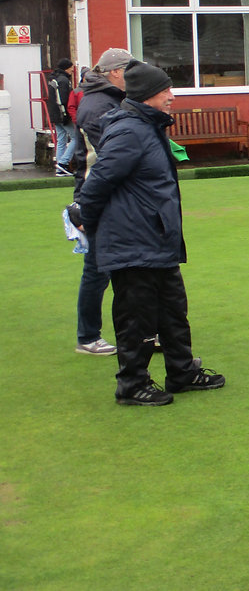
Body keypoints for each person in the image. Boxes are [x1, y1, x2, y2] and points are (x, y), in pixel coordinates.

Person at [77, 60, 224, 405]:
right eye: (165, 90)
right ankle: (132, 385)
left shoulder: (147, 125)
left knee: (172, 309)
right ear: (147, 96)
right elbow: (99, 180)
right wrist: (87, 218)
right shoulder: (130, 130)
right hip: (133, 240)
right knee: (136, 317)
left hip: (156, 238)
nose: (172, 96)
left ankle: (182, 372)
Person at [68, 49, 134, 356]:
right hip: (96, 194)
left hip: (108, 192)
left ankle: (140, 330)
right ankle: (88, 336)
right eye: (130, 70)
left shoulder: (110, 99)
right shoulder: (98, 105)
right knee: (97, 269)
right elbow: (109, 156)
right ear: (117, 72)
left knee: (129, 265)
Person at [47, 58, 76, 177]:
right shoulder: (64, 80)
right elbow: (64, 99)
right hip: (62, 114)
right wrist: (68, 114)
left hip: (54, 113)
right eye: (71, 68)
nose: (72, 70)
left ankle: (59, 167)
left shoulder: (53, 79)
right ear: (66, 68)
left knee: (61, 139)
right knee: (76, 138)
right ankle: (63, 163)